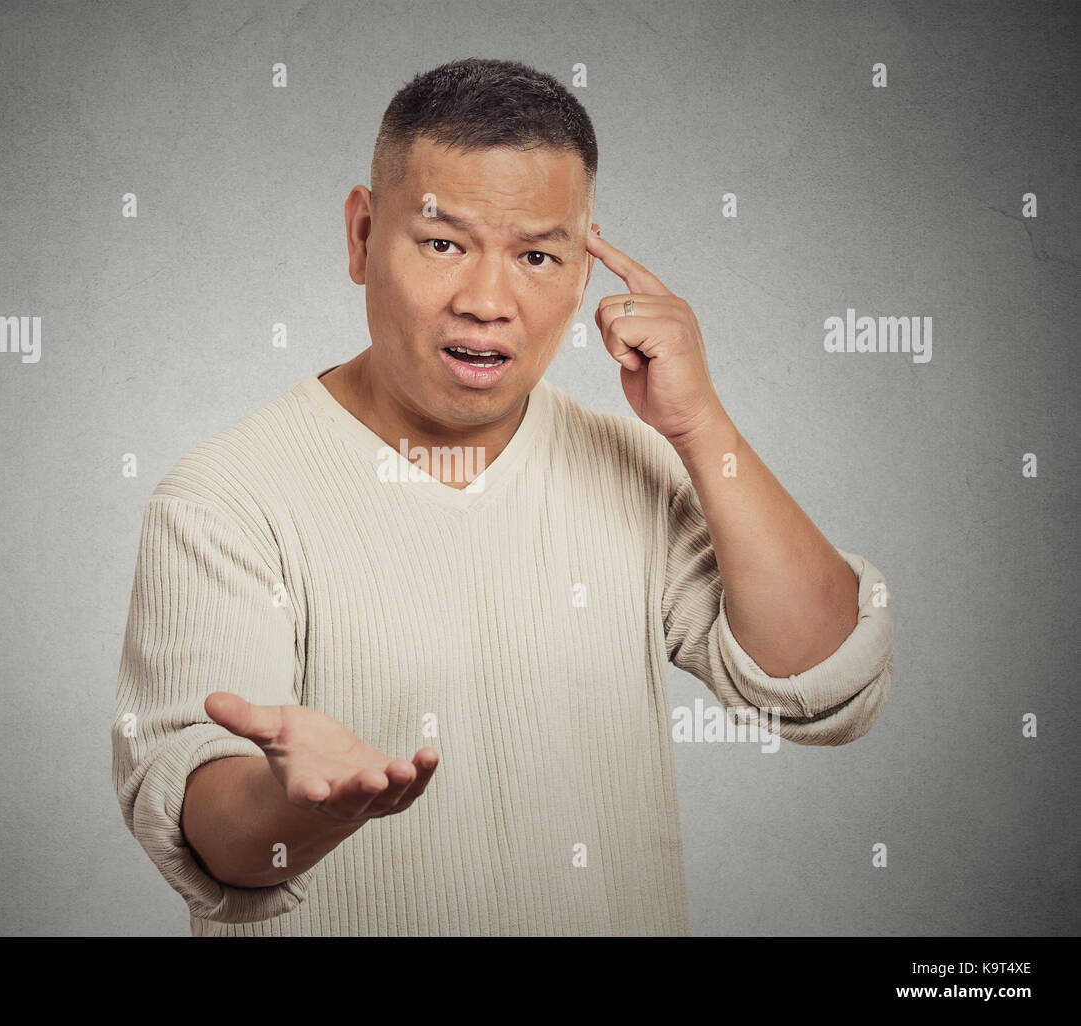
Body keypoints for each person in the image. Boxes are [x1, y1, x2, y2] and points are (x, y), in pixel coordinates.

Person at [111, 57, 894, 937]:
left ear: (584, 269)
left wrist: (702, 425)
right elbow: (208, 835)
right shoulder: (226, 499)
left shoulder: (633, 465)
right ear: (363, 235)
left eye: (537, 256)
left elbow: (822, 691)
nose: (488, 302)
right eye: (443, 244)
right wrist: (303, 808)